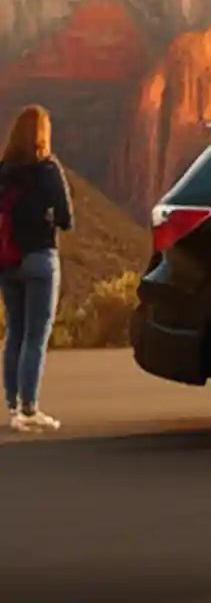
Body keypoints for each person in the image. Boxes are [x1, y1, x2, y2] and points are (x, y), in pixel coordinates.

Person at [0, 104, 73, 432]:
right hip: (40, 258)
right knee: (35, 335)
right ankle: (29, 409)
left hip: (7, 261)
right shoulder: (47, 168)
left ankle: (13, 405)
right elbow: (66, 216)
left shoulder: (3, 170)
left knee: (14, 332)